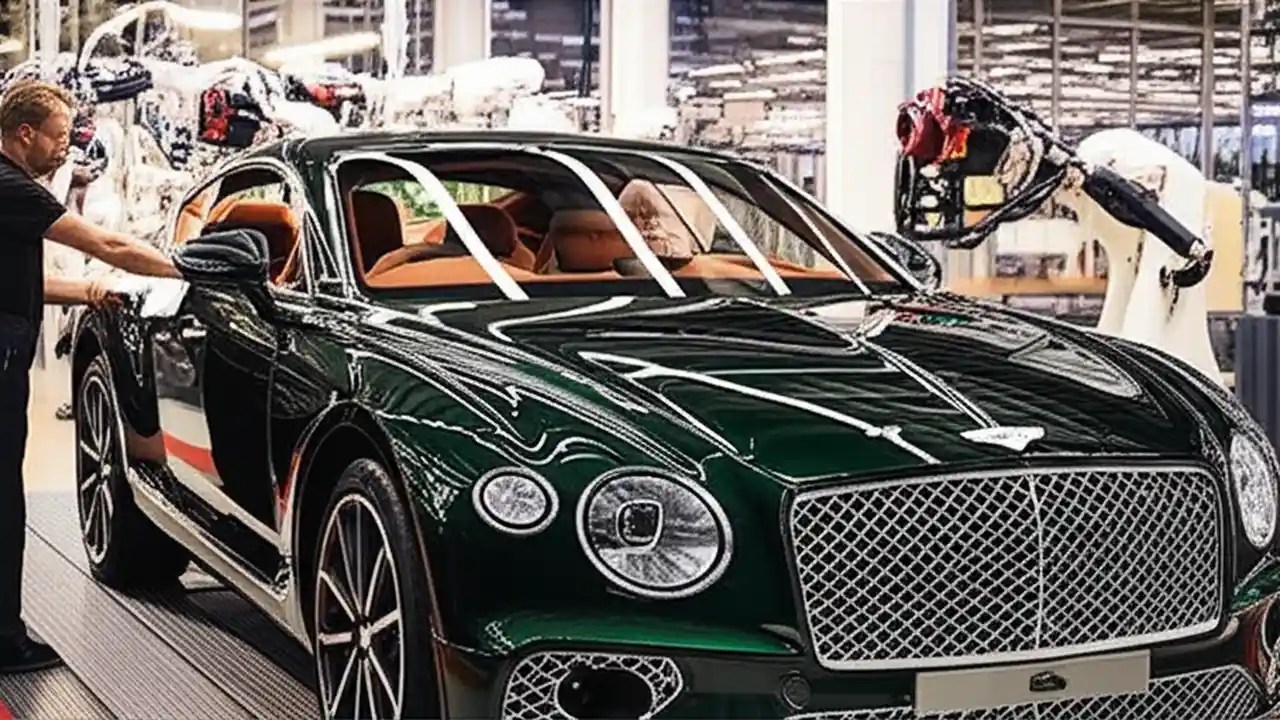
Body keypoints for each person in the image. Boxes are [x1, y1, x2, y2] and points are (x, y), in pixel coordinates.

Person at [0, 80, 180, 673]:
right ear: (24, 134)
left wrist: (87, 291)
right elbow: (105, 242)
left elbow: (20, 285)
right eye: (57, 137)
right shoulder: (13, 188)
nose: (66, 151)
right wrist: (182, 269)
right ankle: (5, 640)